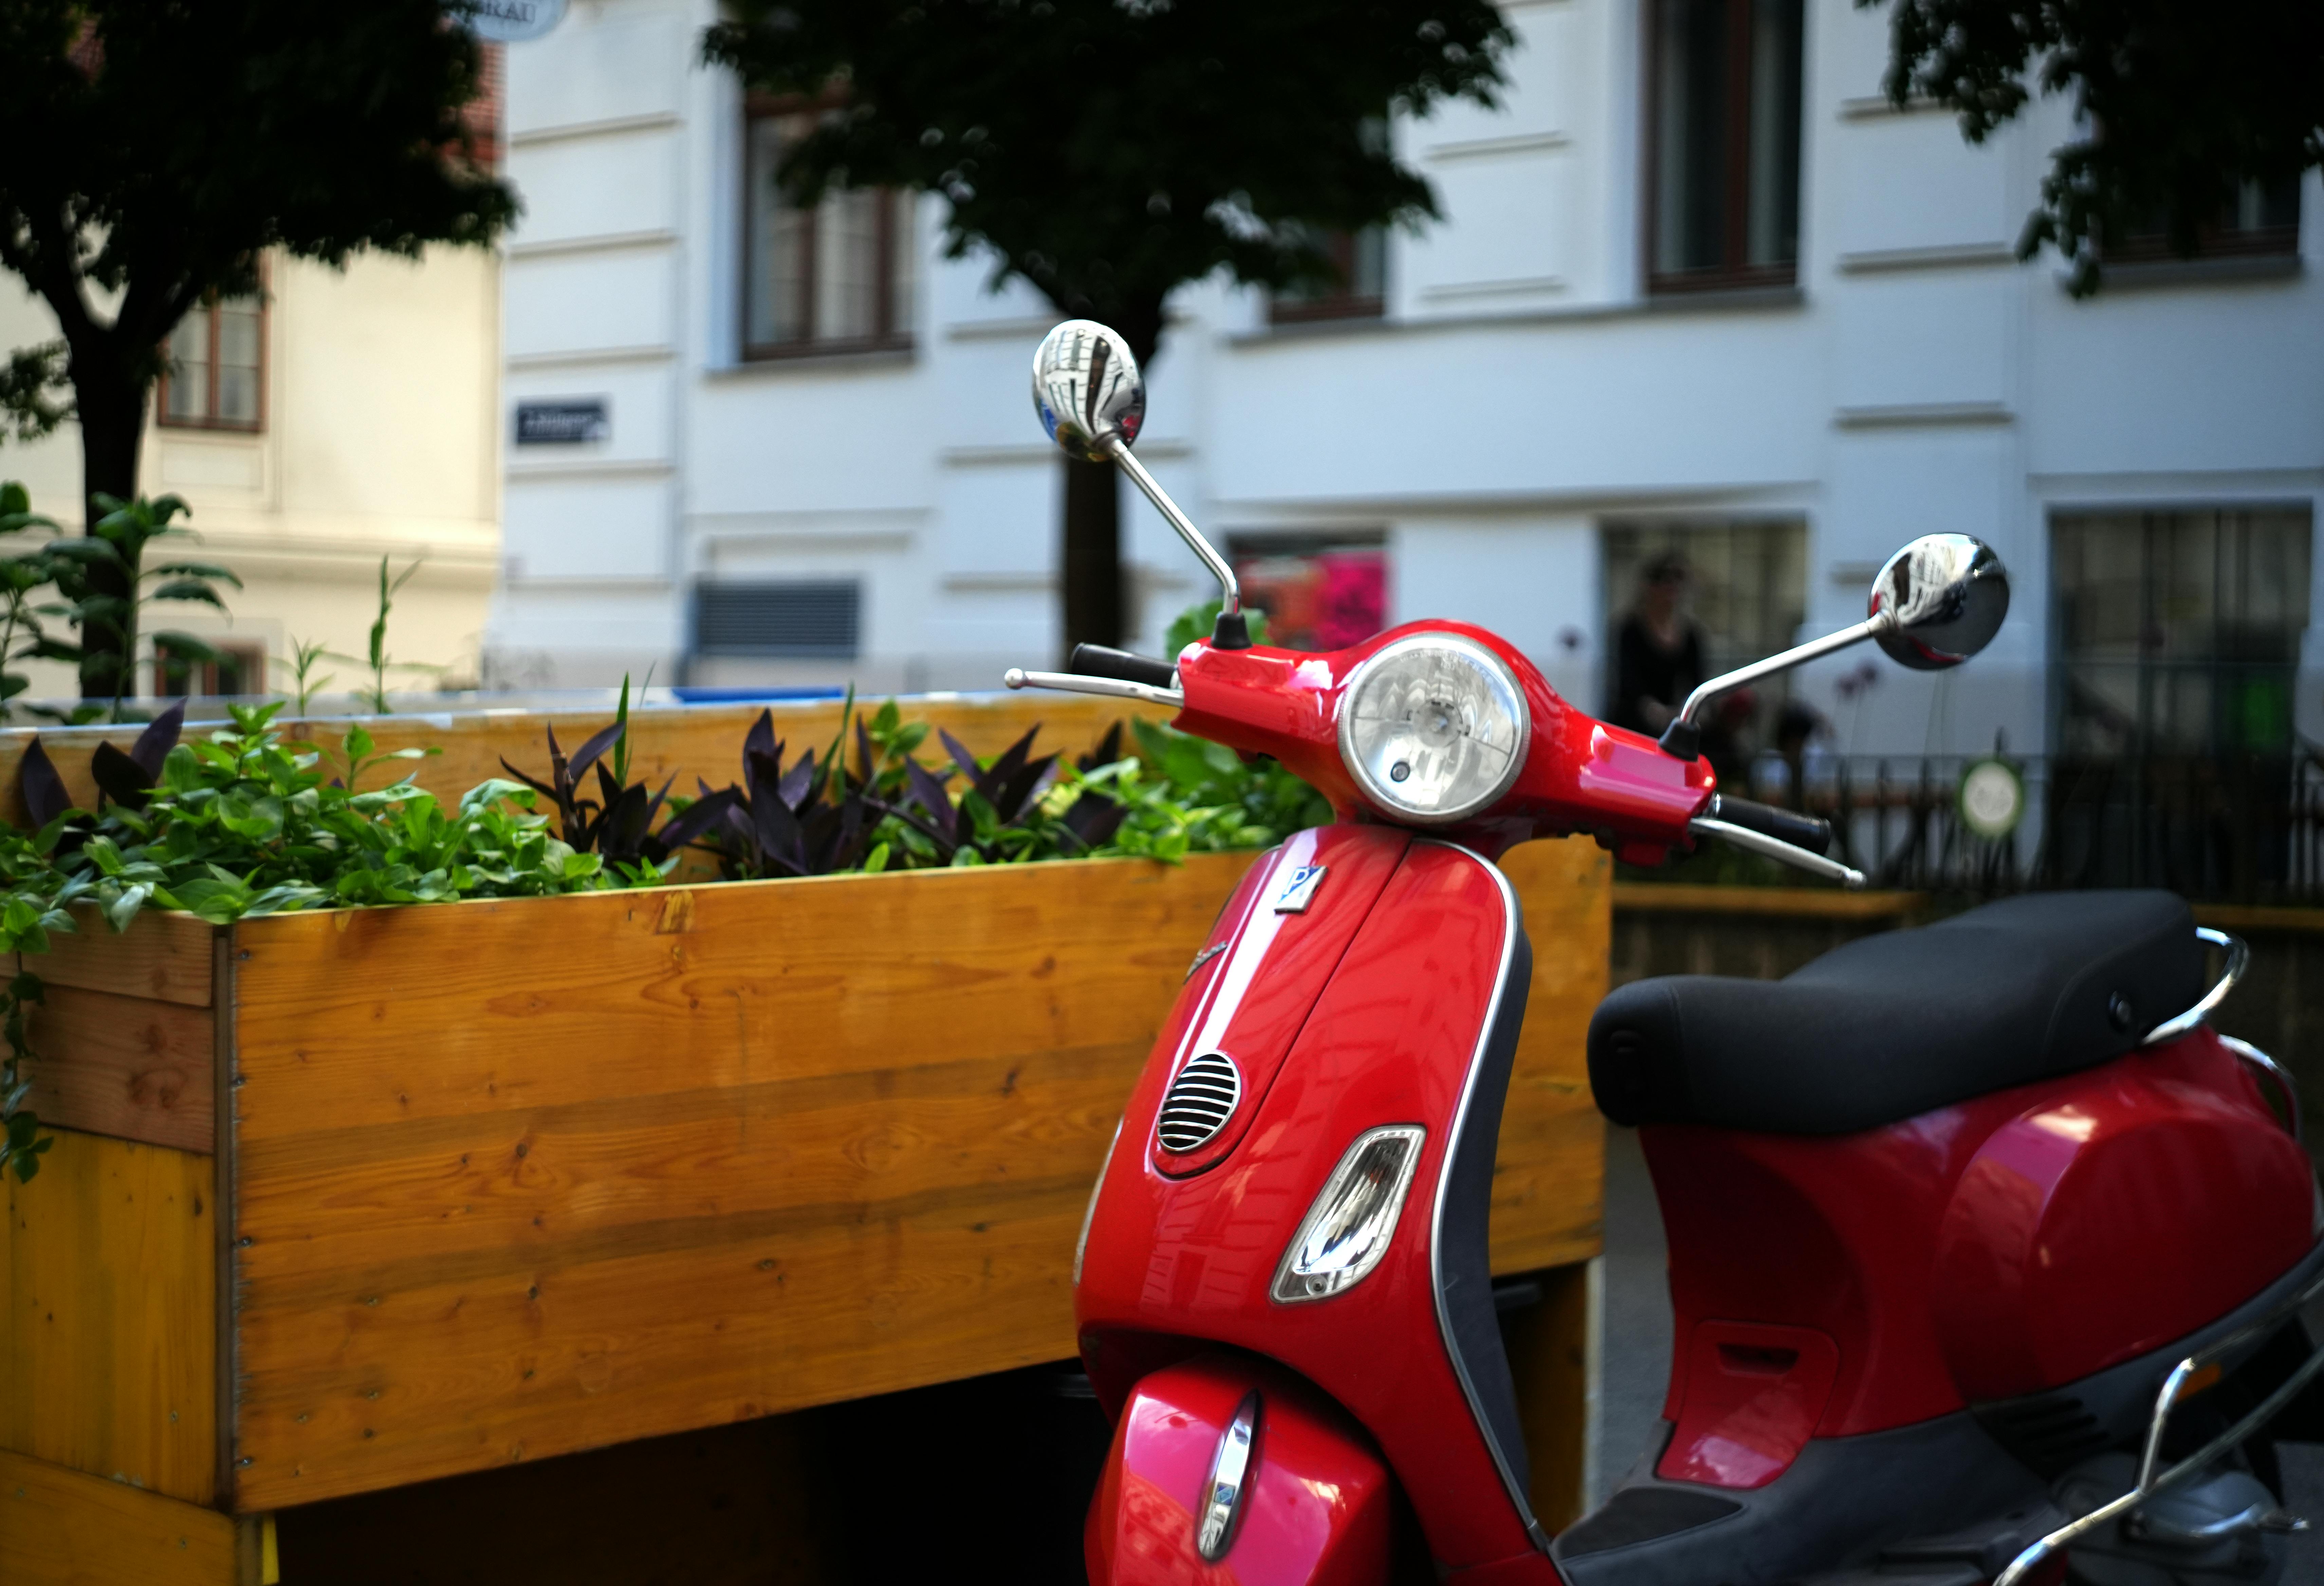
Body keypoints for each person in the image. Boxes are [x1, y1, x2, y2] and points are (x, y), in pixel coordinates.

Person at [1607, 553, 1705, 738]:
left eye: (1678, 584)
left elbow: (1697, 682)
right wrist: (1651, 709)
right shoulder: (1630, 630)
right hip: (1633, 726)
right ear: (1651, 588)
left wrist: (1684, 711)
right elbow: (1628, 681)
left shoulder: (1690, 634)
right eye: (1666, 583)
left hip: (1670, 726)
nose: (1672, 592)